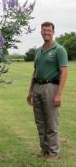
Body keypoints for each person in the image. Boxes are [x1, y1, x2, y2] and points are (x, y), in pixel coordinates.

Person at [27, 21, 68, 161]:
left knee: (51, 122)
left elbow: (64, 72)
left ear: (53, 32)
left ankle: (54, 153)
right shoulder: (38, 51)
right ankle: (44, 150)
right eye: (44, 30)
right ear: (40, 32)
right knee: (40, 121)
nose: (46, 33)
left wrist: (59, 94)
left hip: (51, 88)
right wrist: (30, 91)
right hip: (37, 87)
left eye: (49, 31)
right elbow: (35, 72)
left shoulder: (59, 50)